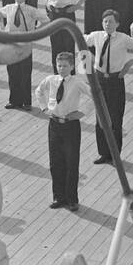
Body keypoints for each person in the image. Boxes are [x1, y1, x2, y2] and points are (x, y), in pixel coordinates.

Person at [85, 9, 133, 166]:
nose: (108, 24)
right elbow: (80, 42)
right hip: (99, 80)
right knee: (100, 118)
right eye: (105, 21)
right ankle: (103, 153)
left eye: (111, 21)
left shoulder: (124, 39)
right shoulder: (96, 36)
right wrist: (87, 68)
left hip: (115, 80)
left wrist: (129, 64)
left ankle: (115, 155)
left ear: (117, 23)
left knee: (115, 118)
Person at [35, 50, 90, 210]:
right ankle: (58, 197)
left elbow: (95, 96)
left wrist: (83, 112)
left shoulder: (77, 82)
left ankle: (72, 199)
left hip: (70, 126)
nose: (61, 69)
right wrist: (44, 108)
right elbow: (39, 91)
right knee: (55, 163)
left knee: (71, 163)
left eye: (65, 66)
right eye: (59, 65)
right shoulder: (51, 80)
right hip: (54, 125)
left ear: (72, 66)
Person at [0, 0, 48, 109]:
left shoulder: (30, 10)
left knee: (25, 72)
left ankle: (26, 102)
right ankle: (14, 100)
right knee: (12, 72)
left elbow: (46, 20)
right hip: (11, 43)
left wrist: (35, 31)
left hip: (25, 43)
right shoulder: (8, 8)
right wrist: (2, 27)